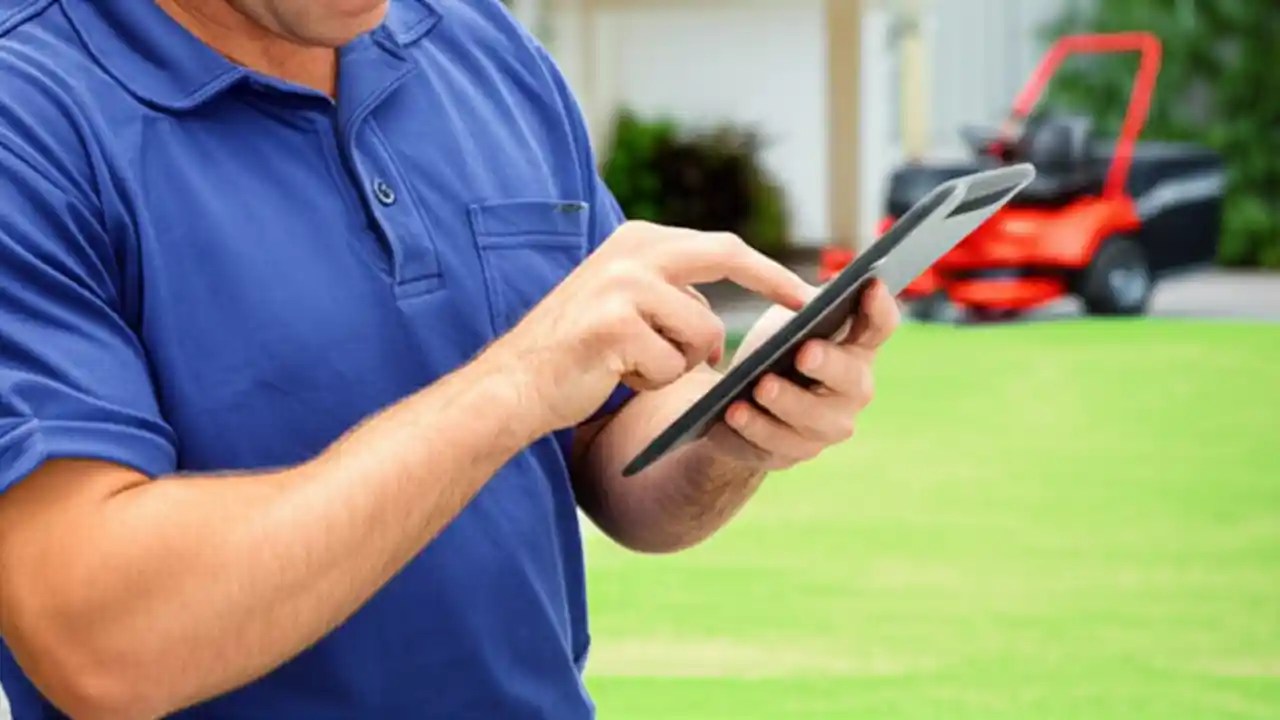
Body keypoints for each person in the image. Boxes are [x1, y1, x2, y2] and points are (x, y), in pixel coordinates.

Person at [0, 1, 900, 717]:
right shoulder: (29, 107)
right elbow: (98, 647)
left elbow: (611, 442)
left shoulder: (477, 44)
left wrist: (731, 432)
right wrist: (513, 382)